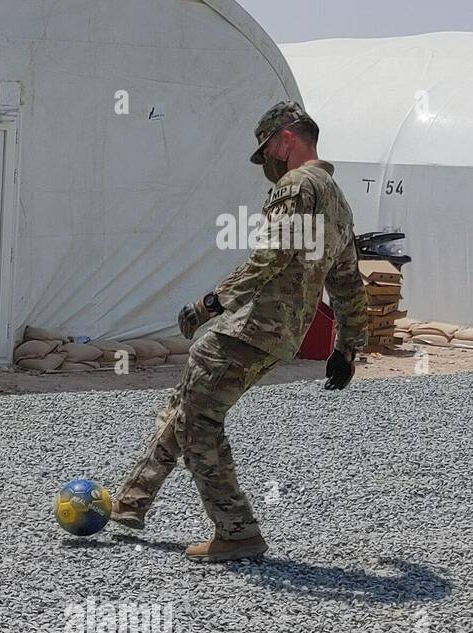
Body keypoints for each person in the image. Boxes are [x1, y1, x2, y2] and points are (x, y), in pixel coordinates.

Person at [110, 101, 368, 563]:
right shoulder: (337, 199)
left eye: (267, 147)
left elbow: (272, 256)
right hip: (280, 335)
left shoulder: (297, 185)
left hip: (247, 328)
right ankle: (132, 501)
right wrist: (348, 347)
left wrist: (210, 303)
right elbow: (347, 279)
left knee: (199, 424)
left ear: (286, 139)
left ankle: (237, 530)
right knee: (188, 403)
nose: (266, 159)